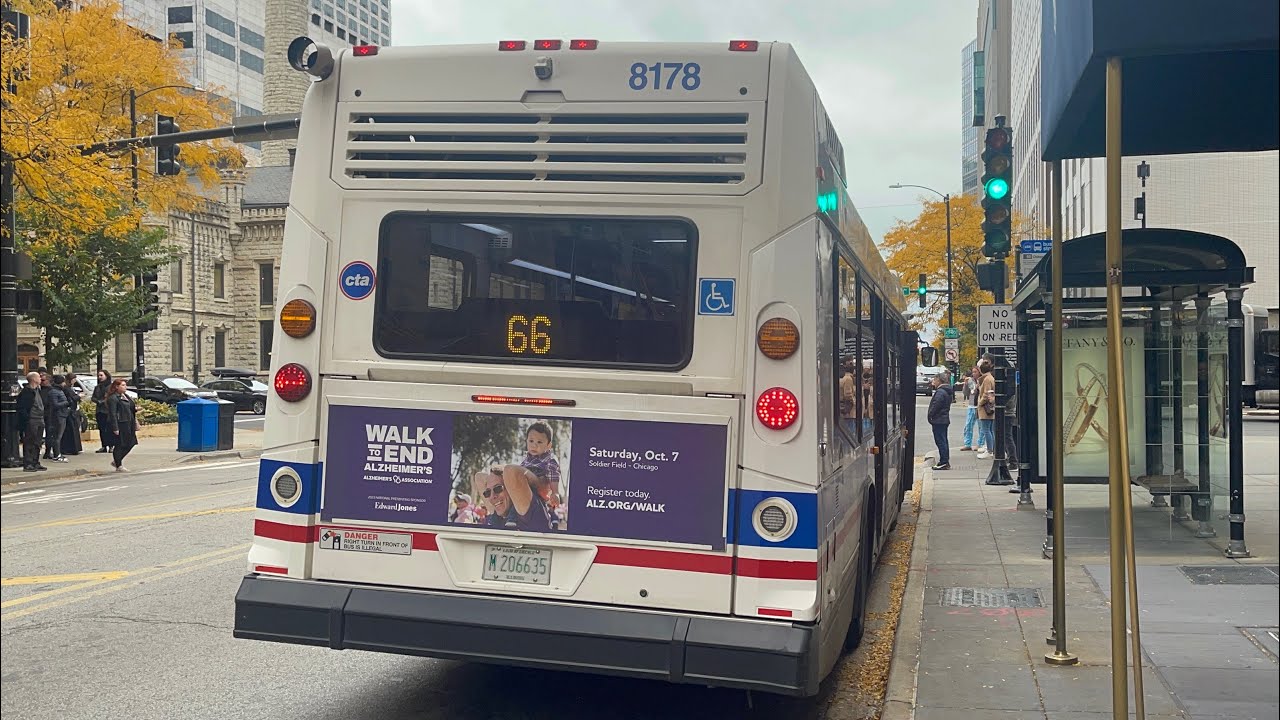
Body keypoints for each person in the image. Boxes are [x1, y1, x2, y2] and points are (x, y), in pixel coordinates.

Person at [472, 464, 553, 532]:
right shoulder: (498, 515)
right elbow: (479, 477)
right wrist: (494, 477)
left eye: (498, 488)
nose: (492, 496)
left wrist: (538, 484)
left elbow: (511, 470)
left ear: (510, 487)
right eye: (488, 492)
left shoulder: (530, 511)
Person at [520, 422, 562, 503]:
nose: (534, 445)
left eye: (539, 442)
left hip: (538, 494)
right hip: (524, 492)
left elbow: (553, 475)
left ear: (548, 445)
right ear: (526, 441)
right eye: (531, 441)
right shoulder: (525, 460)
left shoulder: (549, 460)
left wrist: (555, 492)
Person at [106, 378, 140, 471]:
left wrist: (136, 410)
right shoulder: (113, 398)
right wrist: (115, 427)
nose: (125, 387)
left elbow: (130, 407)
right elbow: (112, 413)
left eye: (125, 385)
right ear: (117, 387)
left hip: (129, 421)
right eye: (123, 385)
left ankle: (117, 460)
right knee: (120, 444)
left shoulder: (126, 396)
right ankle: (118, 465)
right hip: (121, 423)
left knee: (131, 442)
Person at [16, 372, 48, 472]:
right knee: (30, 442)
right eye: (38, 377)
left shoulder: (38, 390)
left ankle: (35, 462)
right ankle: (28, 463)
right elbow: (22, 407)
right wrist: (27, 418)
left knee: (38, 442)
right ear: (33, 379)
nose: (40, 379)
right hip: (32, 419)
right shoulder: (26, 392)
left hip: (40, 418)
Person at [927, 371, 954, 470]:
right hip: (943, 419)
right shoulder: (947, 391)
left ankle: (944, 461)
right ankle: (945, 461)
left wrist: (930, 415)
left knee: (940, 441)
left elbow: (936, 405)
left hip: (939, 420)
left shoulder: (940, 392)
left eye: (935, 380)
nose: (933, 382)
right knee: (943, 440)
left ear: (939, 380)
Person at [43, 373, 71, 463]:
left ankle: (57, 453)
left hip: (61, 415)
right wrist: (67, 403)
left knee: (58, 436)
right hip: (58, 416)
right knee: (57, 436)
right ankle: (57, 454)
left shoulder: (57, 391)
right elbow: (55, 405)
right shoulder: (54, 392)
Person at [975, 359, 997, 459]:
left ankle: (989, 450)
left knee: (986, 429)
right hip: (989, 407)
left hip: (985, 407)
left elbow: (986, 393)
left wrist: (980, 403)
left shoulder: (987, 379)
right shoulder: (990, 378)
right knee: (990, 430)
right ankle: (991, 448)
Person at [60, 374, 84, 456]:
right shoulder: (67, 389)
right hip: (70, 412)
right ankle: (70, 448)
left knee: (74, 429)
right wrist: (79, 396)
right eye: (73, 379)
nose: (74, 381)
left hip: (73, 410)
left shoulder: (70, 388)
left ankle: (75, 448)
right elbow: (72, 399)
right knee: (71, 430)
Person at [92, 370, 114, 454]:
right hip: (100, 411)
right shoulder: (97, 387)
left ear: (106, 376)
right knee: (101, 429)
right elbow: (93, 397)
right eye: (99, 376)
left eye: (101, 375)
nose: (99, 377)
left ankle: (111, 446)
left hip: (108, 410)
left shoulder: (111, 387)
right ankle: (104, 446)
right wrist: (98, 401)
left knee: (109, 429)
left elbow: (111, 397)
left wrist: (103, 401)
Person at [960, 367, 981, 452]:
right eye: (973, 372)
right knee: (968, 425)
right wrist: (965, 384)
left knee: (981, 426)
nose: (974, 374)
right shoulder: (970, 381)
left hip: (979, 405)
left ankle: (980, 444)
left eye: (975, 372)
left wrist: (977, 387)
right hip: (971, 405)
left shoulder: (982, 380)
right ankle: (967, 444)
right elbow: (966, 393)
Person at [839, 357, 857, 437]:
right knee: (849, 432)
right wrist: (854, 402)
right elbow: (848, 395)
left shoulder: (844, 378)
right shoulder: (848, 379)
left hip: (845, 409)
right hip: (849, 411)